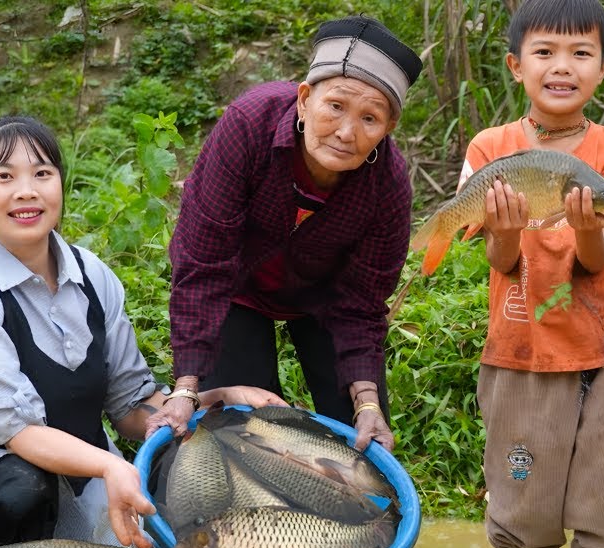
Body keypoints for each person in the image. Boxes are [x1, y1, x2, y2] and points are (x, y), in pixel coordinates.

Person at [0, 116, 285, 548]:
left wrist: (216, 400)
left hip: (78, 481)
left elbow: (131, 407)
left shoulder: (92, 275)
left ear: (61, 183)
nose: (26, 191)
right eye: (4, 176)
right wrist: (111, 466)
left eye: (42, 173)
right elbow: (21, 433)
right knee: (24, 485)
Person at [147, 16, 423, 451]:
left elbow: (361, 303)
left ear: (388, 129)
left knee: (359, 438)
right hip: (236, 286)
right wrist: (185, 389)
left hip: (324, 298)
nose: (346, 133)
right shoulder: (248, 125)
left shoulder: (387, 185)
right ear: (305, 99)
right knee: (244, 431)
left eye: (370, 118)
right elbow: (204, 262)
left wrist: (367, 402)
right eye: (335, 106)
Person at [464, 0, 604, 548]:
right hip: (520, 350)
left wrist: (587, 226)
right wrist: (506, 230)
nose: (562, 66)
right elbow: (500, 259)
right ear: (516, 66)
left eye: (581, 53)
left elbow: (599, 261)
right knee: (518, 512)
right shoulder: (490, 147)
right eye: (545, 52)